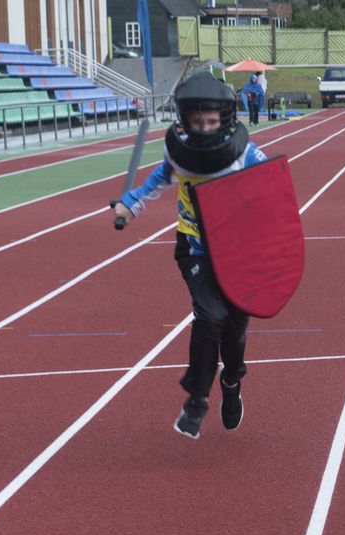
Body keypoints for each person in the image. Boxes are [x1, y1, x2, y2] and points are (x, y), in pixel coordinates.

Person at [112, 72, 269, 440]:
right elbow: (155, 182)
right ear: (185, 120)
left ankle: (232, 381)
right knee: (209, 315)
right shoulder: (178, 153)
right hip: (195, 247)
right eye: (197, 121)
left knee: (234, 331)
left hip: (237, 251)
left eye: (211, 121)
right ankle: (196, 401)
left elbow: (273, 184)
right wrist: (128, 206)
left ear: (225, 118)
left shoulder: (244, 153)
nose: (203, 128)